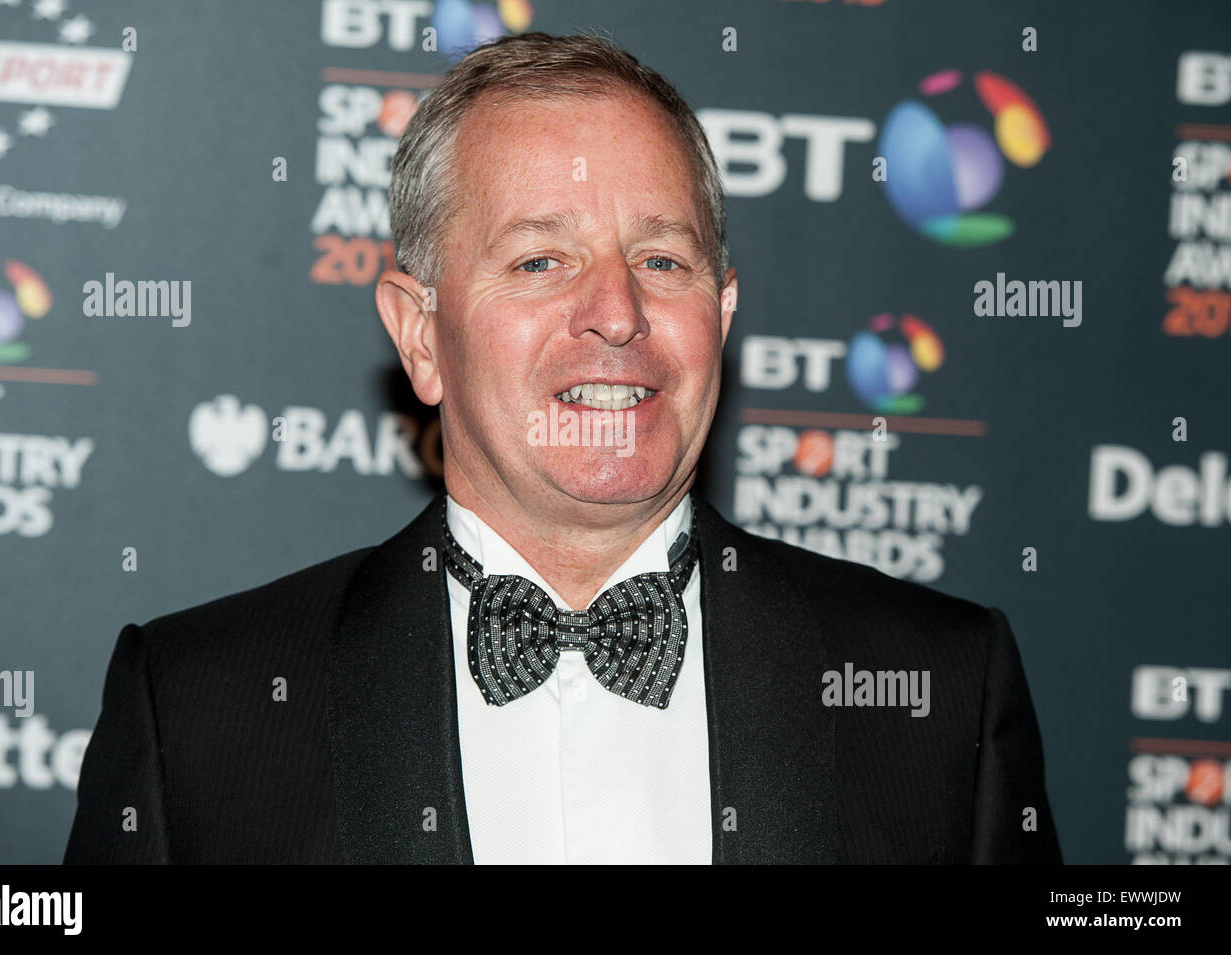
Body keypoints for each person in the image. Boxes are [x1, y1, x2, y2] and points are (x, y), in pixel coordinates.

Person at [64, 31, 1061, 864]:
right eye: (541, 258)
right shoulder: (201, 709)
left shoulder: (940, 694)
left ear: (722, 314)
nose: (617, 313)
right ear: (420, 333)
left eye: (660, 259)